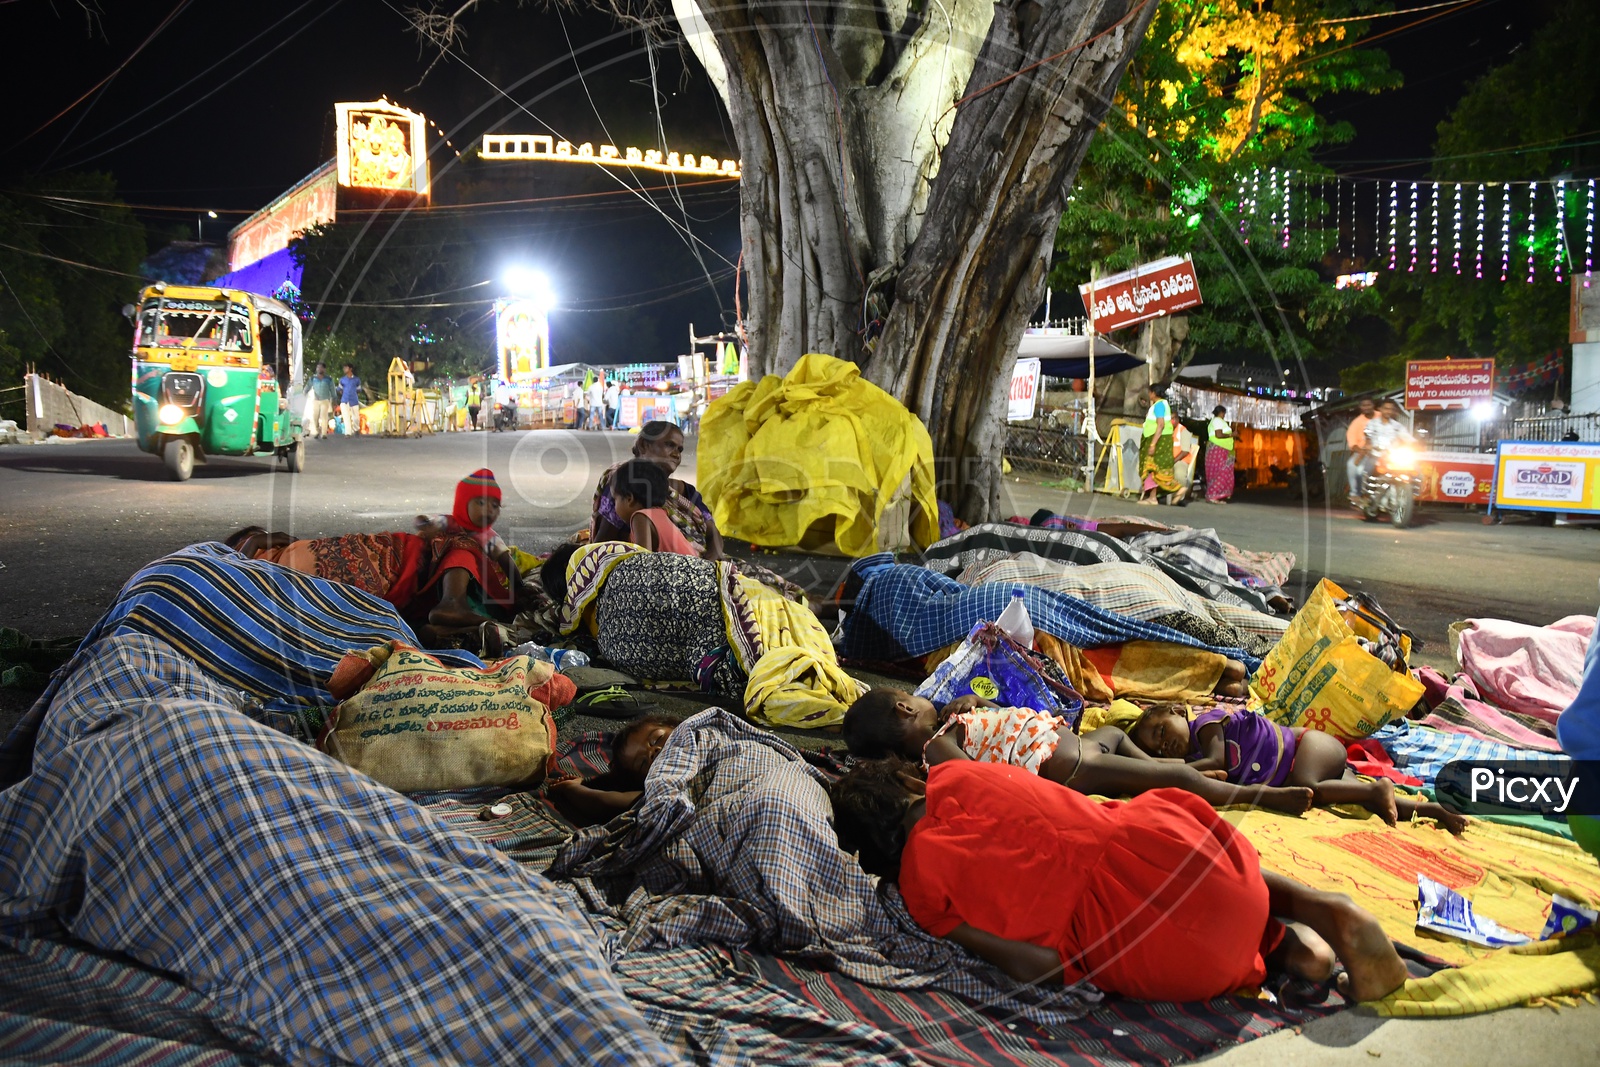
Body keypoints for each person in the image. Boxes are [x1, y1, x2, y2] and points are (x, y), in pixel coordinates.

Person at [829, 757, 1409, 1003]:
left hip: (1169, 953)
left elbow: (1039, 969)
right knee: (1159, 832)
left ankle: (1280, 953)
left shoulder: (919, 890)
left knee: (1128, 933)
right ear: (908, 781)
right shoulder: (958, 774)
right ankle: (1312, 909)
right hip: (1188, 858)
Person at [841, 689, 1316, 815]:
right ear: (905, 708)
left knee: (1111, 732)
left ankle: (1152, 766)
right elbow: (984, 780)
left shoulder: (949, 724)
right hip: (1063, 767)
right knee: (1177, 782)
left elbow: (1001, 729)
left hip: (1068, 747)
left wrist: (985, 703)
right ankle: (1263, 797)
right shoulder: (937, 747)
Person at [1130, 704, 1467, 833]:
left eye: (1161, 731)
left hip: (1308, 746)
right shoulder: (1193, 761)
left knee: (1312, 788)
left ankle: (1376, 788)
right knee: (1344, 798)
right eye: (1156, 746)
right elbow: (1214, 775)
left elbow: (1218, 764)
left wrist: (1161, 764)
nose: (1165, 745)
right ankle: (1431, 811)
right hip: (1302, 767)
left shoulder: (1205, 724)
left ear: (1177, 710)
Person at [591, 421, 726, 559]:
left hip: (696, 566)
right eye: (669, 445)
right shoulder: (624, 481)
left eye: (680, 449)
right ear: (644, 445)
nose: (676, 454)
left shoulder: (686, 491)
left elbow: (713, 534)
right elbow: (604, 543)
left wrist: (707, 564)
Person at [546, 712, 681, 826]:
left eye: (657, 738)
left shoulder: (698, 732)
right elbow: (601, 802)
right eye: (643, 763)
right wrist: (572, 788)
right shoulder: (663, 793)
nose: (654, 751)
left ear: (674, 726)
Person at [611, 458, 702, 556]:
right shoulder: (662, 513)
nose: (614, 506)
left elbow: (642, 563)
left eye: (615, 499)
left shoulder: (640, 517)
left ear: (629, 499)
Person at [1138, 383, 1187, 505]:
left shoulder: (1159, 405)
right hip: (1159, 439)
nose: (1149, 394)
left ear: (1154, 393)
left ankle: (1155, 497)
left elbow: (1160, 425)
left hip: (1158, 440)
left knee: (1153, 468)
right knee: (1155, 468)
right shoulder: (1162, 405)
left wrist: (1153, 444)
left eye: (1150, 392)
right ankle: (1154, 496)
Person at [1344, 397, 1376, 503]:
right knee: (1352, 465)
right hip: (1365, 453)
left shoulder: (1381, 417)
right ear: (1360, 407)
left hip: (1385, 452)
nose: (1366, 407)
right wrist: (1361, 451)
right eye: (1364, 405)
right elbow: (1352, 443)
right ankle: (1355, 493)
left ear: (1373, 405)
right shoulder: (1356, 423)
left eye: (1369, 405)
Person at [1206, 404, 1235, 503]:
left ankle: (1217, 495)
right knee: (1220, 472)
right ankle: (1213, 495)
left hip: (1222, 449)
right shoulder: (1218, 420)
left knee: (1220, 471)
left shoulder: (1216, 421)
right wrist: (1232, 434)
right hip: (1219, 450)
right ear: (1221, 413)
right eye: (1224, 413)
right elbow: (1219, 435)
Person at [306, 362, 335, 440]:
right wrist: (304, 392)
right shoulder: (313, 378)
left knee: (324, 416)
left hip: (325, 400)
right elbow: (308, 386)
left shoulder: (328, 379)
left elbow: (332, 389)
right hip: (316, 400)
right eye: (318, 368)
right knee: (315, 417)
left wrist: (334, 397)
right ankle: (316, 430)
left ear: (324, 369)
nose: (319, 369)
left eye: (321, 368)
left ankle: (324, 433)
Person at [338, 364, 362, 436]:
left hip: (354, 400)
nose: (344, 369)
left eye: (346, 368)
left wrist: (353, 394)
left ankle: (356, 429)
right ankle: (348, 432)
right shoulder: (342, 380)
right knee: (346, 416)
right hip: (344, 400)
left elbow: (359, 390)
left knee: (356, 417)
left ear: (350, 369)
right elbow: (340, 389)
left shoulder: (356, 380)